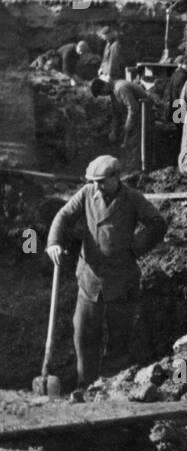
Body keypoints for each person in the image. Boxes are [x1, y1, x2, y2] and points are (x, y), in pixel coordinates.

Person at [46, 155, 167, 390]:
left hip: (121, 280)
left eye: (101, 181)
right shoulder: (87, 193)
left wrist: (134, 248)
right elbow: (64, 215)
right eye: (93, 181)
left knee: (119, 337)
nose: (97, 186)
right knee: (83, 334)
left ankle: (112, 386)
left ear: (116, 178)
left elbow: (157, 223)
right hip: (90, 277)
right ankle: (85, 385)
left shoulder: (132, 199)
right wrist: (54, 242)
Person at [91, 75, 153, 152]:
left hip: (145, 115)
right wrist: (113, 130)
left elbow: (133, 108)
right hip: (137, 118)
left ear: (105, 85)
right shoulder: (113, 92)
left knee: (133, 145)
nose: (103, 95)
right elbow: (117, 113)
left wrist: (127, 125)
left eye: (102, 92)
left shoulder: (120, 88)